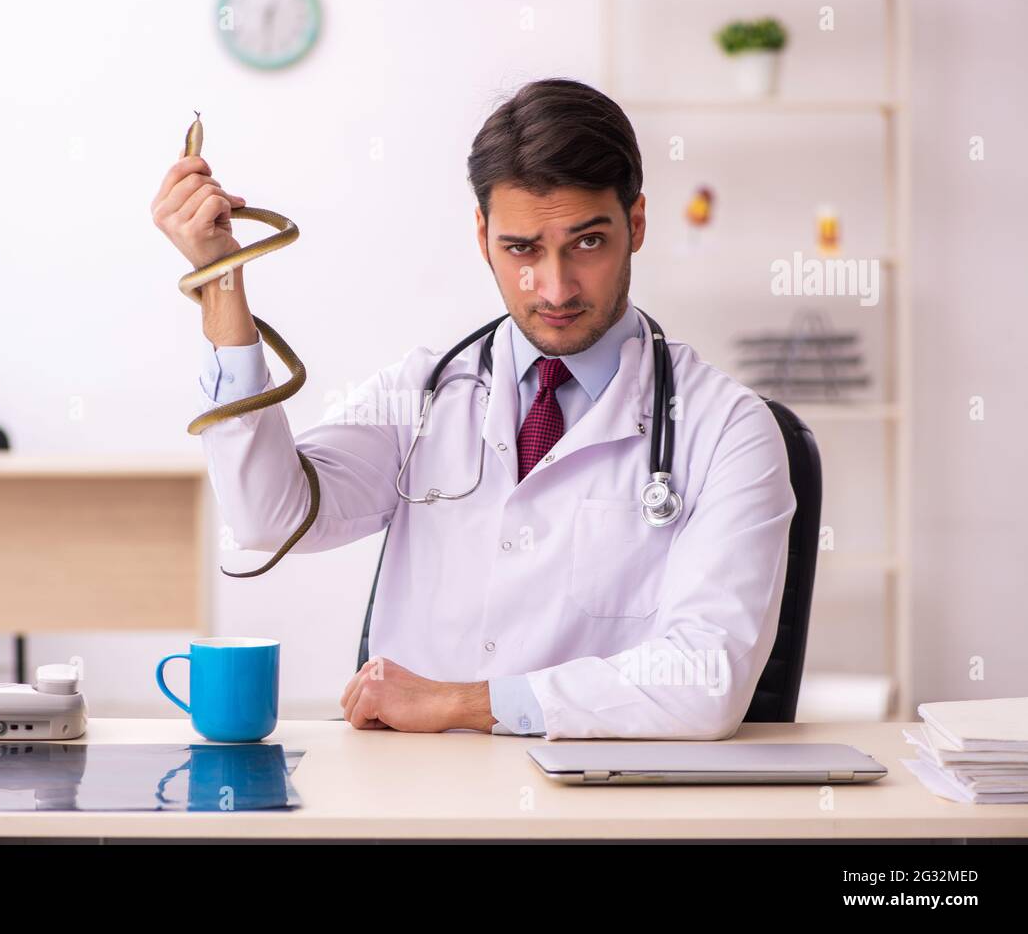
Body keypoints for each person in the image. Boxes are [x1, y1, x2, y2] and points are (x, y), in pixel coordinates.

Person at [149, 77, 796, 740]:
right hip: (417, 805)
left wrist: (465, 703)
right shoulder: (424, 394)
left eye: (588, 242)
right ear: (483, 234)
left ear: (635, 224)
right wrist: (223, 280)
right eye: (522, 249)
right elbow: (265, 516)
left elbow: (706, 679)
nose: (554, 286)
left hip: (603, 813)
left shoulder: (727, 429)